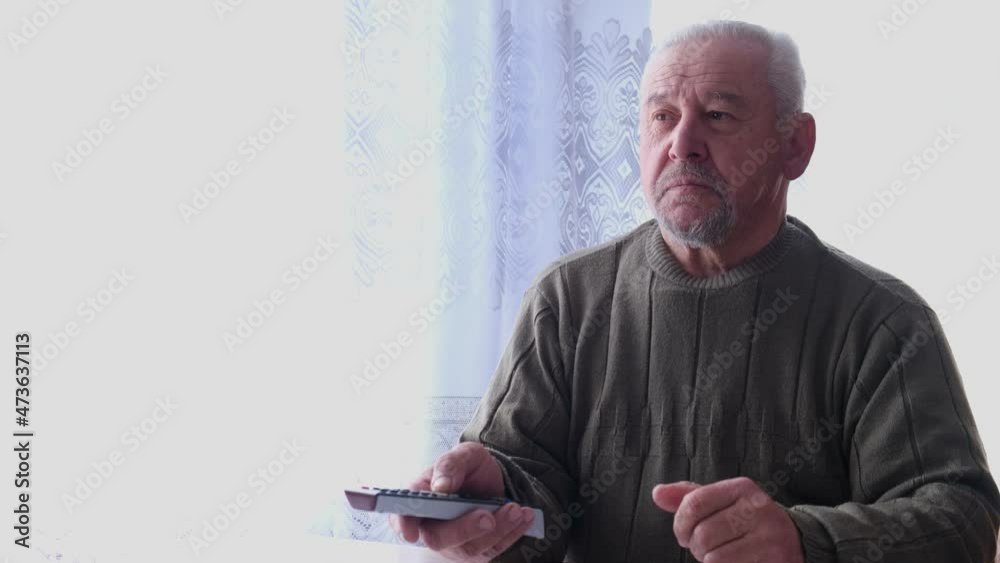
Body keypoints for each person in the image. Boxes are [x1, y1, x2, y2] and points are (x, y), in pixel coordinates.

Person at [390, 20, 1000, 562]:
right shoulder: (565, 300)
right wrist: (488, 500)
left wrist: (803, 543)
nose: (682, 144)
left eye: (718, 115)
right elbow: (529, 492)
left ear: (795, 145)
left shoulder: (882, 323)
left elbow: (965, 522)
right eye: (662, 117)